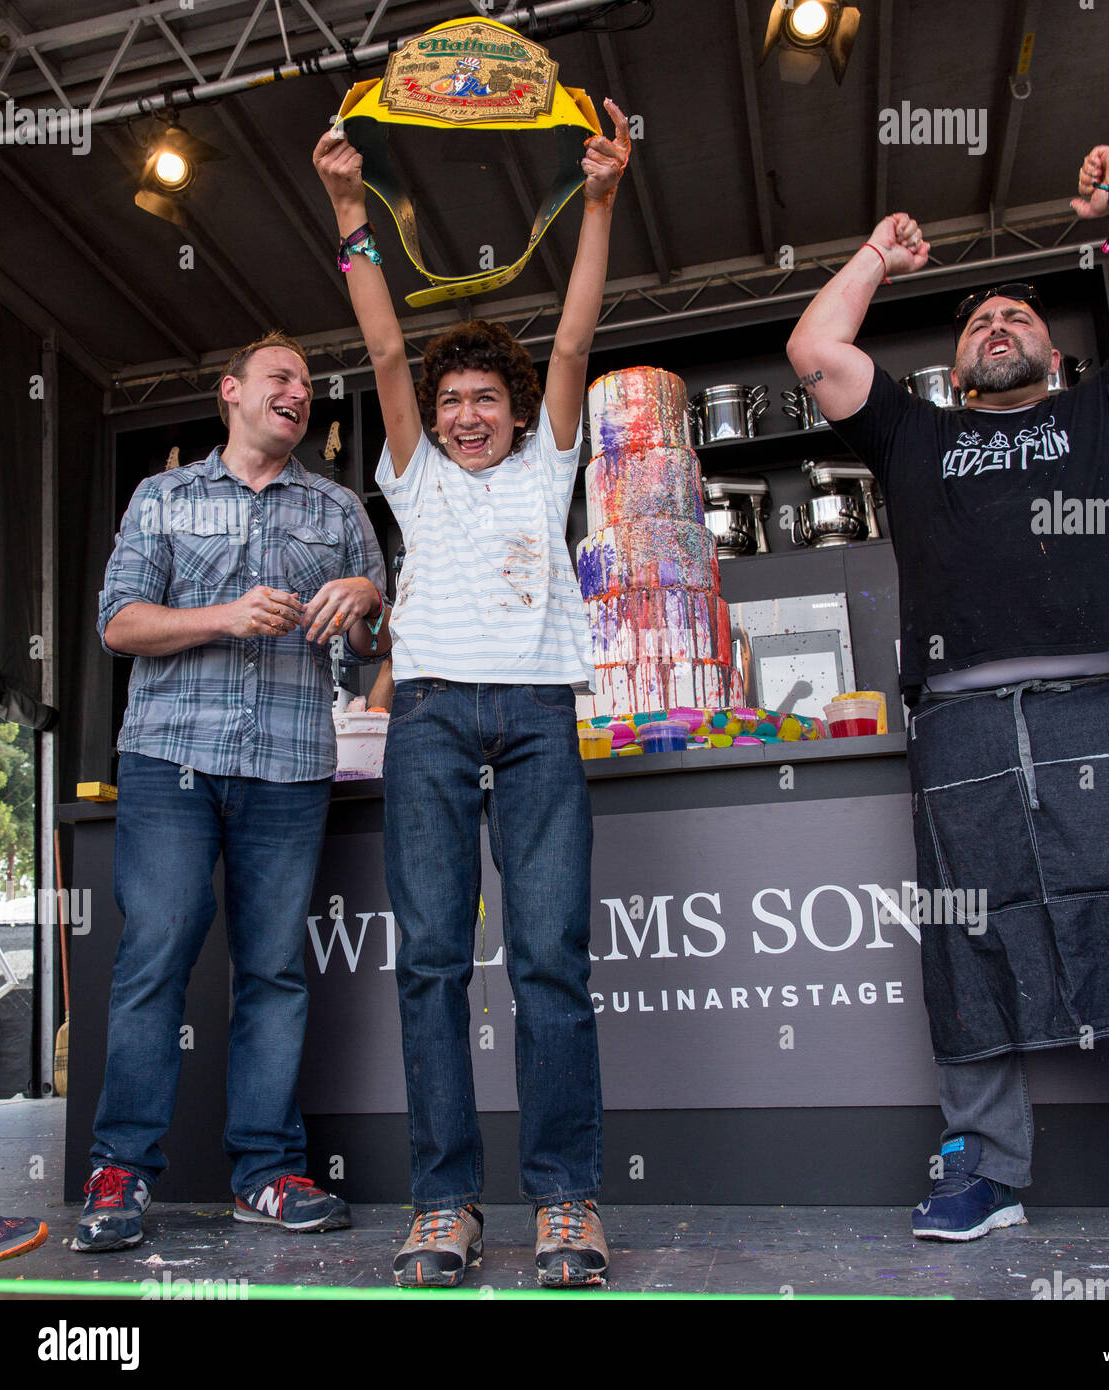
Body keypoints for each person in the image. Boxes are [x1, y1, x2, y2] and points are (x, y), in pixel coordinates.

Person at [788, 144, 1109, 1257]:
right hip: (960, 721)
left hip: (1098, 708)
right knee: (972, 944)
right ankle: (982, 1173)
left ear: (1052, 355)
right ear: (957, 369)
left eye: (1015, 312)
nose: (995, 323)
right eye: (975, 323)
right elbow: (816, 347)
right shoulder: (917, 436)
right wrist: (878, 250)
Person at [312, 98, 629, 1289]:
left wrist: (597, 203)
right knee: (433, 963)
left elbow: (575, 339)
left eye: (482, 397)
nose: (466, 413)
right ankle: (444, 1206)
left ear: (511, 404)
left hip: (539, 714)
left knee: (550, 960)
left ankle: (565, 1204)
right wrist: (352, 213)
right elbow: (389, 348)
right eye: (451, 404)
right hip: (431, 717)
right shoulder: (413, 476)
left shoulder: (550, 457)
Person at [81, 333, 390, 1252]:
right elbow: (118, 624)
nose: (300, 391)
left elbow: (371, 654)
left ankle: (267, 1168)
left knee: (273, 973)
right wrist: (226, 615)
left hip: (290, 769)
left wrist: (369, 607)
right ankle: (120, 1171)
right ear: (232, 393)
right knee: (156, 957)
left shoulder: (339, 511)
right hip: (170, 763)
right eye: (281, 377)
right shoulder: (162, 496)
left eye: (307, 384)